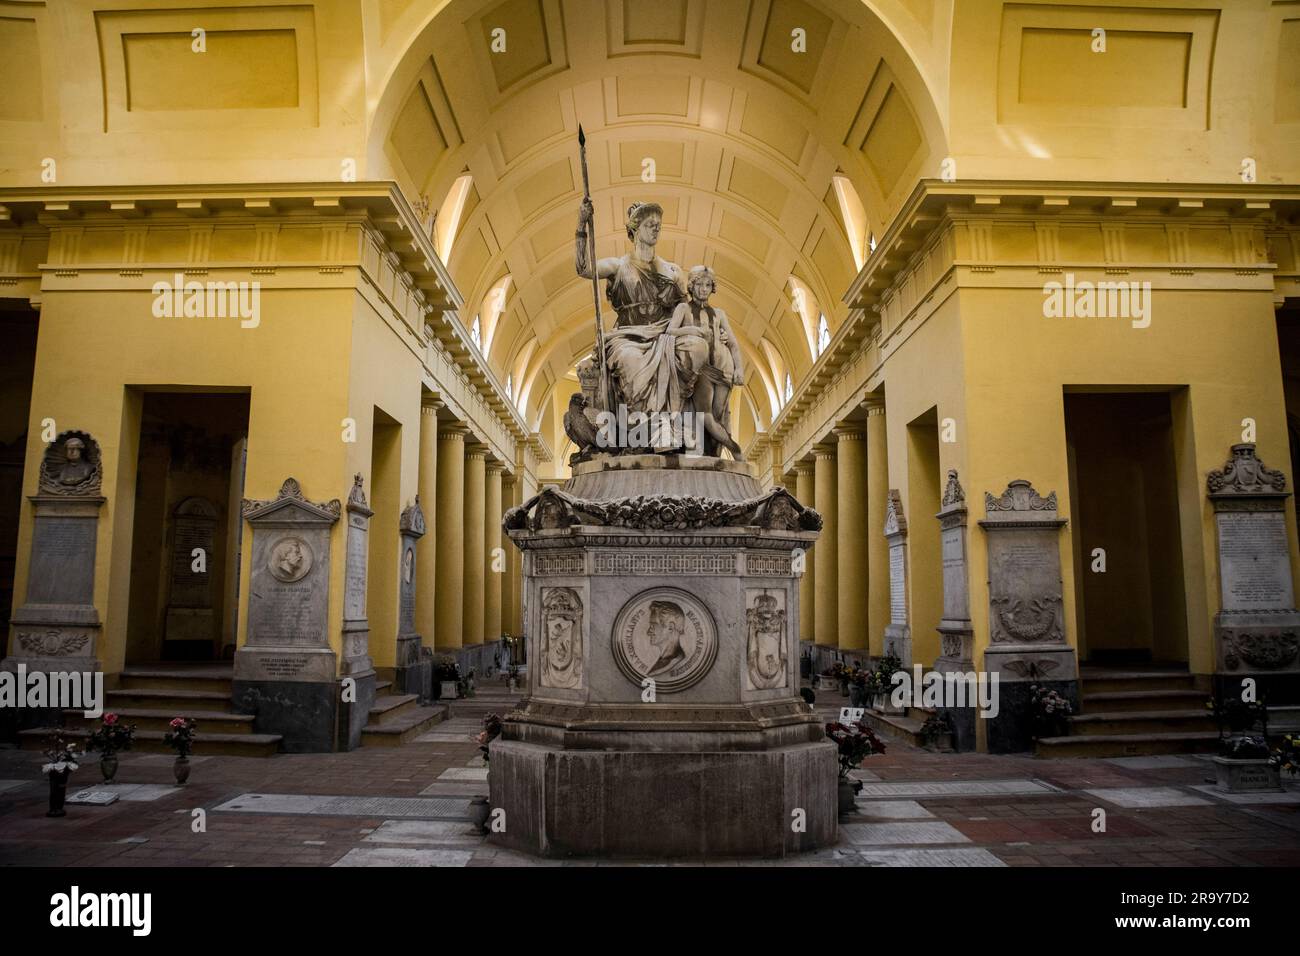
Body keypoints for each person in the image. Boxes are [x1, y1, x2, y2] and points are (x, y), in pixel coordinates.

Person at [575, 200, 687, 421]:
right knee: (629, 358)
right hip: (628, 336)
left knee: (696, 350)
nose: (656, 228)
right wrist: (581, 224)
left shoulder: (673, 270)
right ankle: (646, 426)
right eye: (649, 224)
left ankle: (681, 423)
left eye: (658, 224)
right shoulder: (618, 266)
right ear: (634, 231)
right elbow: (584, 268)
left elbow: (685, 307)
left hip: (665, 334)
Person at [666, 266, 744, 458]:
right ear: (692, 286)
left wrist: (739, 368)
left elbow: (733, 344)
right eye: (699, 284)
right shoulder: (683, 309)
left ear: (712, 287)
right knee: (706, 416)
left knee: (718, 416)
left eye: (708, 285)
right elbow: (669, 331)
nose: (703, 289)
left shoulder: (719, 314)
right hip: (701, 369)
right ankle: (736, 450)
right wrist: (691, 331)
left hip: (724, 368)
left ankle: (714, 456)